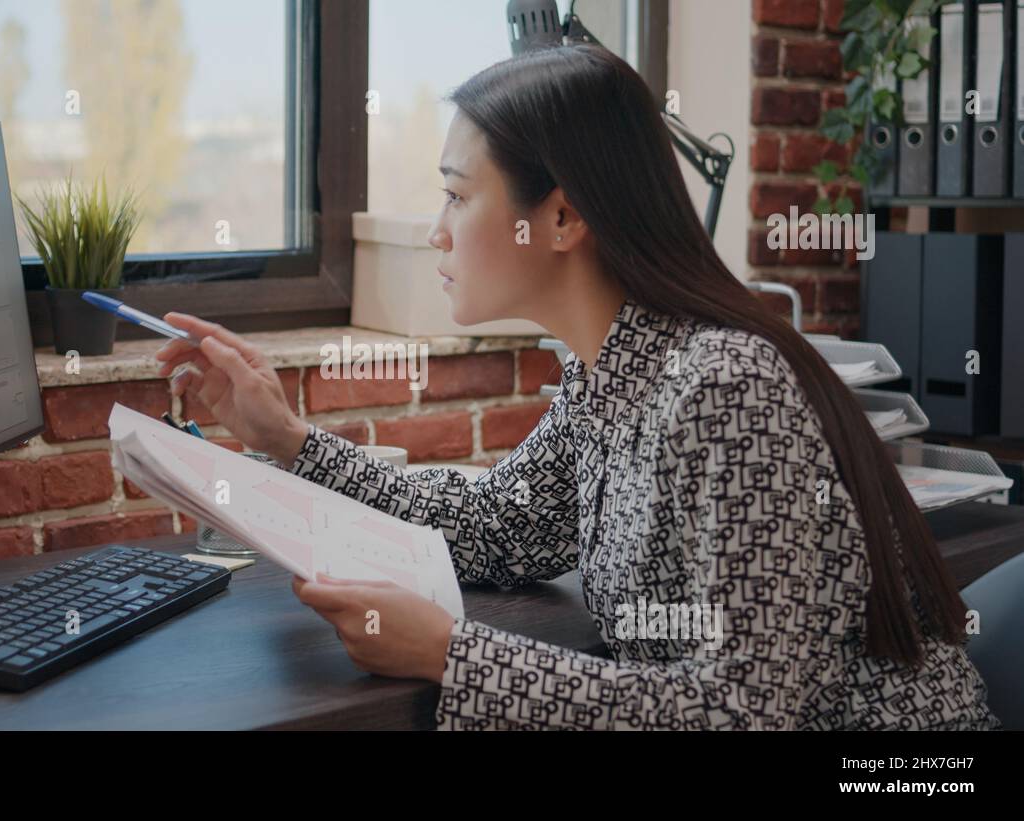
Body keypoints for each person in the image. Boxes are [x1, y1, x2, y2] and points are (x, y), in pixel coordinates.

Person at [151, 44, 1000, 730]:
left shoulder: (723, 386)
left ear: (561, 217)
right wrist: (285, 440)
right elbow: (502, 526)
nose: (438, 233)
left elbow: (748, 710)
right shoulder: (613, 373)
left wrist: (453, 656)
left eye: (456, 195)